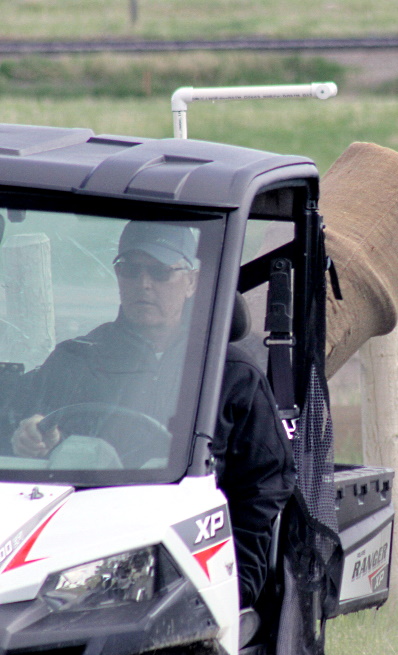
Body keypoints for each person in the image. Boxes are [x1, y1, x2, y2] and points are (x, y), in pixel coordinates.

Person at [7, 221, 295, 611]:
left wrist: (232, 575)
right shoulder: (74, 360)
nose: (143, 283)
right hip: (77, 555)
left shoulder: (231, 374)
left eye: (159, 272)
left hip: (186, 555)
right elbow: (21, 432)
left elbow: (263, 484)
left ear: (191, 282)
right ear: (117, 275)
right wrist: (26, 436)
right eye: (131, 269)